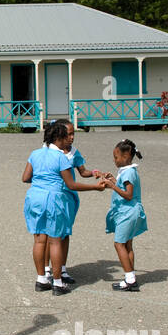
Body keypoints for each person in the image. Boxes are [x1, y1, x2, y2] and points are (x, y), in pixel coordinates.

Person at [22, 120, 107, 295]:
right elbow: (71, 184)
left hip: (35, 198)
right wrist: (95, 187)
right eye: (65, 137)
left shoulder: (35, 154)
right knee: (55, 240)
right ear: (58, 138)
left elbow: (25, 177)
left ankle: (41, 279)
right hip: (54, 199)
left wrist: (41, 181)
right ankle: (58, 282)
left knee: (39, 239)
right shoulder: (60, 157)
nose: (68, 140)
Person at [50, 120, 109, 284]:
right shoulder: (50, 151)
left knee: (65, 233)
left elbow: (82, 171)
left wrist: (94, 173)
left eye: (73, 133)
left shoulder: (73, 152)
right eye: (68, 134)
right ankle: (49, 270)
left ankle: (62, 268)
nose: (72, 137)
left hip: (69, 197)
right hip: (54, 197)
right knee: (52, 234)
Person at [101, 139, 147, 291]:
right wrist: (113, 180)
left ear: (126, 156)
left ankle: (130, 279)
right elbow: (124, 187)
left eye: (116, 157)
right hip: (129, 212)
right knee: (127, 245)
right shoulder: (128, 171)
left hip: (128, 212)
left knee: (119, 244)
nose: (114, 160)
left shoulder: (128, 172)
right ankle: (130, 276)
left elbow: (128, 195)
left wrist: (112, 186)